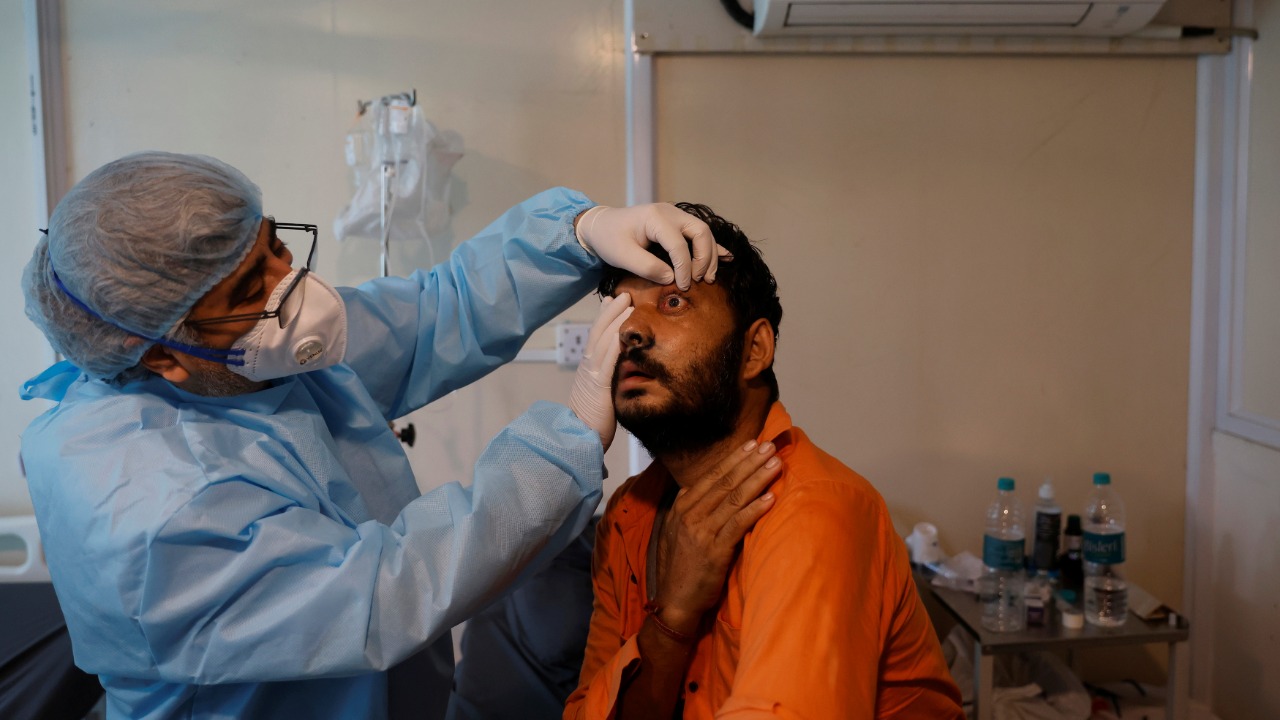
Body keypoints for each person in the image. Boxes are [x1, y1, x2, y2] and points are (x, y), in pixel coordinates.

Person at [18, 150, 732, 720]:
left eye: (272, 247)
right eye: (246, 293)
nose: (288, 287)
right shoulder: (148, 513)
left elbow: (432, 316)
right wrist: (568, 436)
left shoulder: (246, 357)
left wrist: (575, 235)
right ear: (164, 354)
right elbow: (387, 593)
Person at [565, 204, 965, 719]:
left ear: (754, 350)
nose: (629, 332)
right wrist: (673, 618)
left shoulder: (814, 510)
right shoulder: (626, 515)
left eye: (671, 302)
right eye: (620, 308)